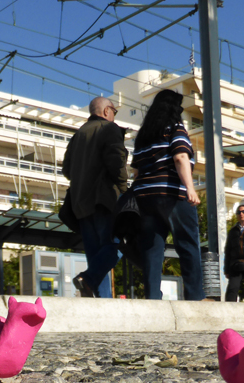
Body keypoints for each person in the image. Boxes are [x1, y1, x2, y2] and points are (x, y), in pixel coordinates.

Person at [129, 89, 204, 300]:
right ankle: (195, 296)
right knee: (188, 245)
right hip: (172, 194)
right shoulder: (176, 128)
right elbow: (180, 156)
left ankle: (153, 296)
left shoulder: (143, 136)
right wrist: (190, 188)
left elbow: (136, 171)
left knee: (152, 248)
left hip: (145, 196)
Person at [61, 96, 129, 298]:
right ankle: (88, 279)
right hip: (104, 201)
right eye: (114, 112)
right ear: (107, 110)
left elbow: (66, 169)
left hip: (80, 204)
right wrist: (124, 189)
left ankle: (100, 298)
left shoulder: (78, 135)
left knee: (95, 255)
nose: (114, 116)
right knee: (118, 246)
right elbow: (117, 162)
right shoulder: (109, 129)